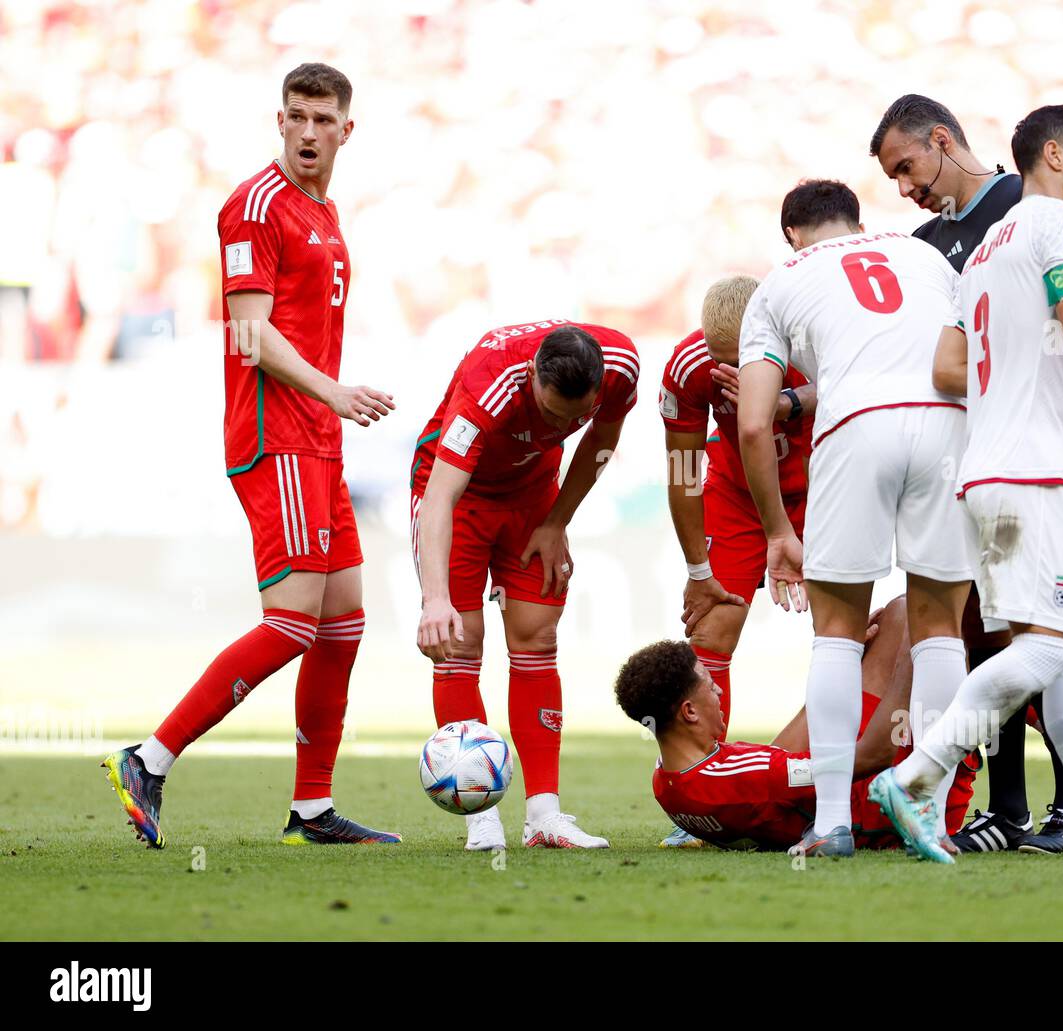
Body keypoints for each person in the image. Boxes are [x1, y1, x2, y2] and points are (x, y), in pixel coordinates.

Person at [870, 105, 1063, 863]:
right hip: (1033, 472)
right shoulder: (1060, 223)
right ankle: (915, 775)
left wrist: (1024, 375)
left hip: (985, 471)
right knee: (1044, 654)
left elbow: (950, 367)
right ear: (1053, 154)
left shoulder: (979, 254)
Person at [102, 63, 400, 847]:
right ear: (279, 120)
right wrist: (333, 392)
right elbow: (248, 334)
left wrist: (332, 406)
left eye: (323, 118)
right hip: (279, 436)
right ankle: (149, 757)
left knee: (342, 627)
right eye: (296, 116)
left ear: (346, 129)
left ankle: (310, 810)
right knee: (295, 625)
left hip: (320, 442)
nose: (308, 131)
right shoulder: (255, 205)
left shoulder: (325, 212)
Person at [736, 179, 975, 857]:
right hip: (945, 426)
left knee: (837, 636)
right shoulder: (923, 255)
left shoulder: (779, 284)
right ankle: (931, 815)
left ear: (792, 235)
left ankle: (833, 821)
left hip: (854, 430)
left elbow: (755, 423)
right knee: (938, 634)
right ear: (856, 220)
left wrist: (779, 530)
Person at [412, 320, 638, 851]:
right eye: (552, 412)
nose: (563, 423)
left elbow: (601, 440)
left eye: (574, 414)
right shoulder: (488, 385)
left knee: (537, 636)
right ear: (532, 374)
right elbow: (440, 494)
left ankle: (543, 816)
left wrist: (557, 521)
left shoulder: (621, 368)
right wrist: (434, 598)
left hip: (534, 496)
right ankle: (481, 817)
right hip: (460, 499)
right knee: (459, 646)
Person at [614, 600, 978, 853]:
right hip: (889, 801)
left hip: (853, 781)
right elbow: (874, 755)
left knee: (903, 618)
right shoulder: (740, 779)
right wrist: (910, 658)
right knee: (922, 619)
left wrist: (847, 668)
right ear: (689, 712)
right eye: (710, 685)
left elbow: (774, 767)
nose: (718, 690)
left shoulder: (667, 779)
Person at [657, 275, 815, 845]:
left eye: (741, 363)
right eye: (719, 360)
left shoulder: (811, 335)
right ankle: (712, 789)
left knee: (844, 632)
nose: (727, 373)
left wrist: (790, 402)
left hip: (823, 487)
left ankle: (832, 788)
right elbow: (682, 471)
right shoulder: (687, 368)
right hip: (737, 493)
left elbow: (861, 383)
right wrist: (698, 571)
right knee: (712, 632)